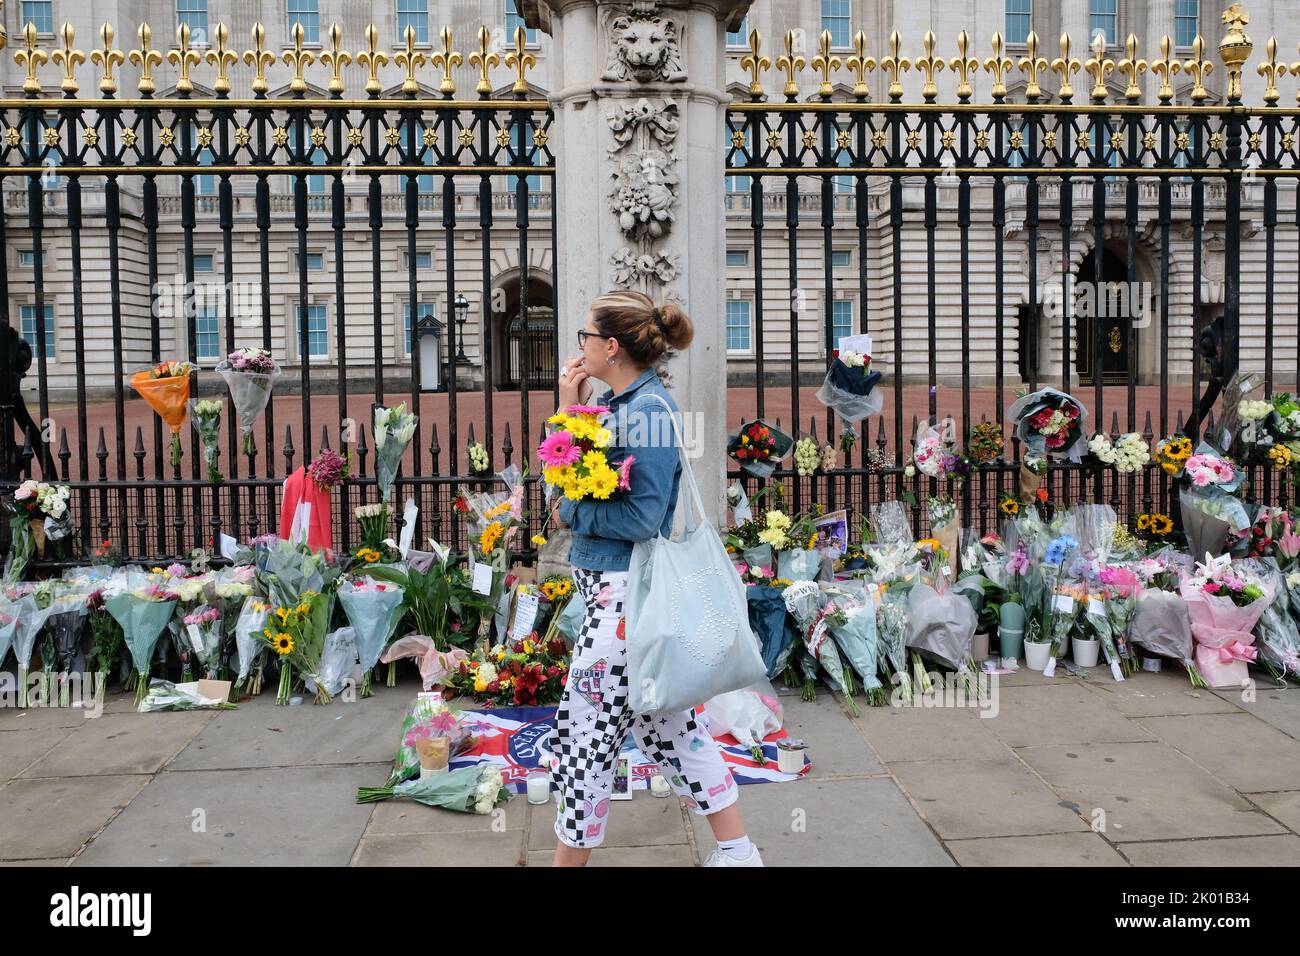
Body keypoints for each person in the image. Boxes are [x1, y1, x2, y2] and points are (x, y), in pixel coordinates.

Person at [545, 290, 763, 868]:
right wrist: (569, 409)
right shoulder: (614, 407)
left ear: (610, 345)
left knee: (583, 743)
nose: (581, 347)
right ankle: (738, 853)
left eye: (585, 337)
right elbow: (558, 476)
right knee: (674, 734)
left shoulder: (646, 413)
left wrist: (573, 514)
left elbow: (641, 517)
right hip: (615, 598)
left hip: (627, 603)